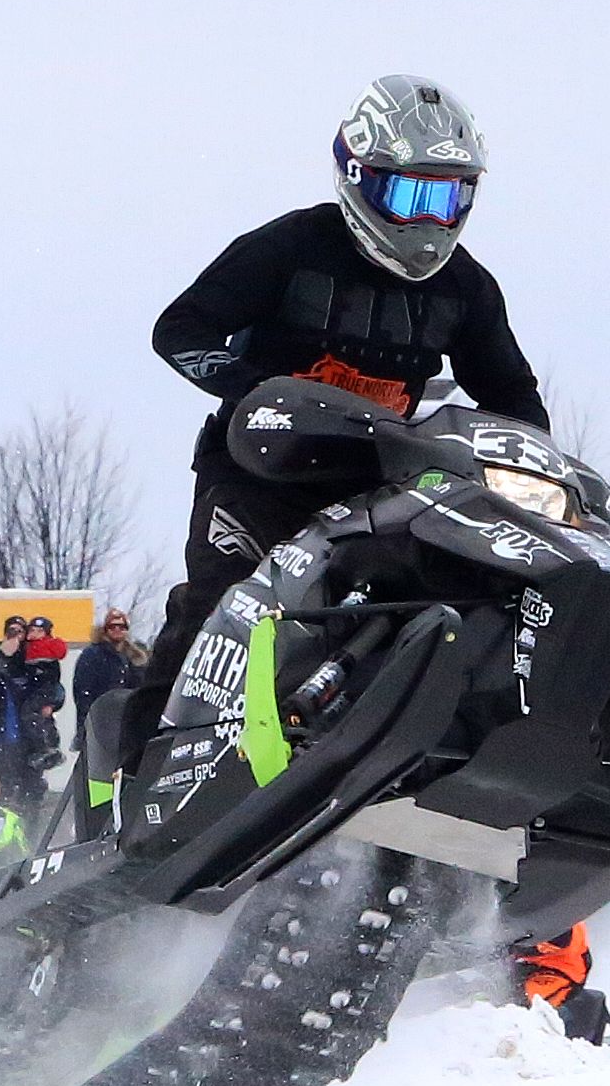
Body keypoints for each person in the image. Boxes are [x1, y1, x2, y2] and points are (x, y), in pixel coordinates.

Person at [120, 74, 548, 771]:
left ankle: (422, 773)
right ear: (360, 175)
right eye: (411, 195)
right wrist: (252, 389)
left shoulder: (466, 287)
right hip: (256, 479)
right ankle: (128, 785)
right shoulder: (292, 247)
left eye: (448, 196)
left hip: (378, 493)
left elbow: (514, 395)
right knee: (215, 612)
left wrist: (526, 470)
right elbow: (180, 328)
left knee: (433, 615)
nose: (428, 220)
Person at [0, 617, 50, 814]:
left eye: (20, 632)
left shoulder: (34, 661)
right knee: (4, 794)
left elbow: (53, 686)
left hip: (32, 738)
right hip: (5, 739)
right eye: (11, 631)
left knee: (32, 794)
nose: (16, 636)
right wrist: (4, 655)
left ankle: (31, 833)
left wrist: (51, 704)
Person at [73, 608, 142, 749]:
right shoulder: (92, 654)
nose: (117, 630)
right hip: (99, 721)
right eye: (112, 627)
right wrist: (87, 724)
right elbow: (82, 691)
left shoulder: (134, 658)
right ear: (105, 630)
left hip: (126, 723)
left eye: (122, 627)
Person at [21, 616, 69, 770]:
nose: (34, 634)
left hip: (44, 690)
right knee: (43, 718)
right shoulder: (28, 648)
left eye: (39, 631)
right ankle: (49, 746)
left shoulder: (43, 650)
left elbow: (51, 677)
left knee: (32, 714)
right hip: (40, 690)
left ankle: (45, 746)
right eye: (32, 630)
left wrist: (50, 701)